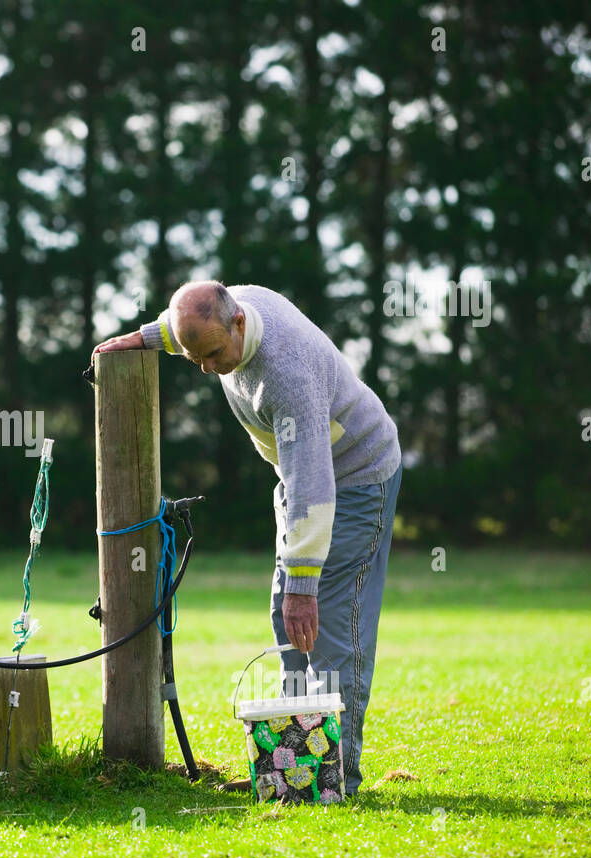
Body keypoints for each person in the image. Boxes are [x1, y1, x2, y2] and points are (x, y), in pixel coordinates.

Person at [92, 280, 402, 797]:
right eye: (196, 360)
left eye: (213, 355)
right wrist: (140, 339)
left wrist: (305, 586)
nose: (208, 368)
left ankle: (336, 777)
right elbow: (184, 328)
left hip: (353, 478)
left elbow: (311, 481)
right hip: (303, 480)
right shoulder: (218, 317)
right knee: (287, 619)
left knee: (326, 625)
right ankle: (294, 768)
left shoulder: (286, 372)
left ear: (238, 324)